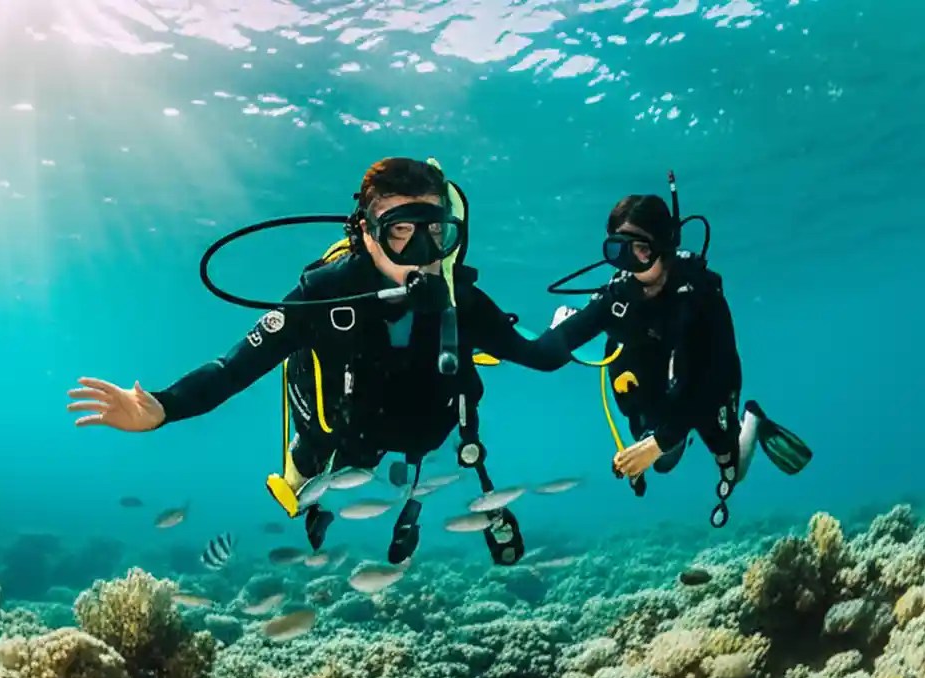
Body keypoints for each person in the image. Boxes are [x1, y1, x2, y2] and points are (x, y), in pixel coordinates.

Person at [66, 157, 573, 565]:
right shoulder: (322, 296)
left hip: (426, 438)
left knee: (421, 473)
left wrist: (604, 309)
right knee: (316, 483)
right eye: (401, 231)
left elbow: (543, 356)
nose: (420, 250)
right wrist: (162, 407)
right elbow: (233, 367)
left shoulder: (459, 300)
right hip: (338, 446)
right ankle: (319, 502)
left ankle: (409, 507)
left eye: (434, 232)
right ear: (367, 232)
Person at [541, 184, 812, 527]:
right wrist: (508, 335)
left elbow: (718, 377)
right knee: (663, 462)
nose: (630, 266)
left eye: (641, 250)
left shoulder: (700, 297)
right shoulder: (617, 297)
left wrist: (661, 440)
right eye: (617, 251)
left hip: (704, 386)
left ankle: (752, 421)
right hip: (658, 388)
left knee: (732, 468)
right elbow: (543, 353)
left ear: (665, 247)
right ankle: (672, 437)